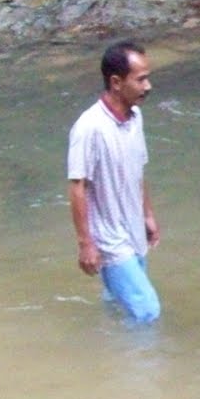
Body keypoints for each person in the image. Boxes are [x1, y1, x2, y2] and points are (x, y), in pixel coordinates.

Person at [67, 40, 162, 323]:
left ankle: (110, 354)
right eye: (141, 79)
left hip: (132, 229)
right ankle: (143, 365)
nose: (148, 86)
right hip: (109, 239)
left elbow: (137, 170)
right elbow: (77, 187)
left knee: (118, 305)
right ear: (116, 82)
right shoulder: (89, 128)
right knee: (147, 311)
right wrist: (86, 243)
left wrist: (147, 214)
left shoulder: (136, 118)